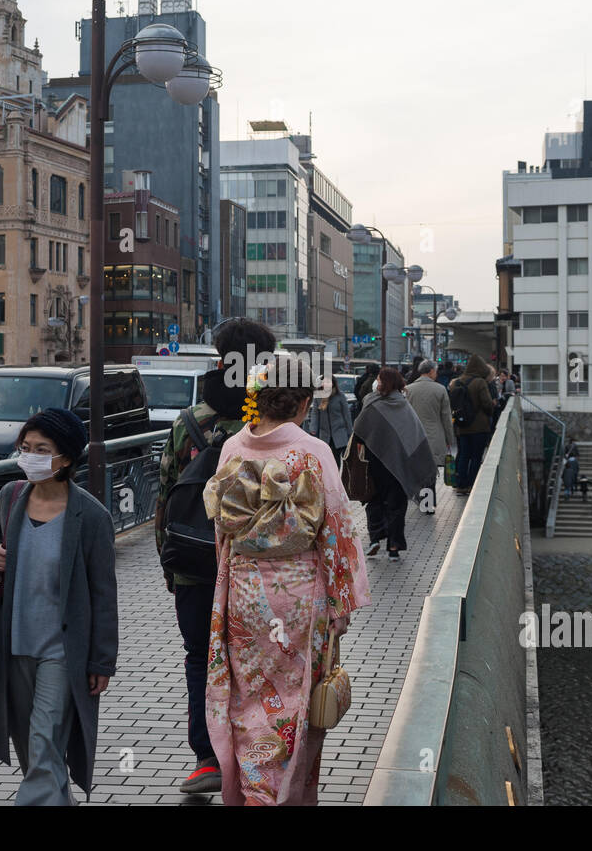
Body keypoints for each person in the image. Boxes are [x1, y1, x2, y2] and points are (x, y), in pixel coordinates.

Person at [202, 356, 370, 805]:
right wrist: (341, 605)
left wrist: (235, 577)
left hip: (244, 592)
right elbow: (336, 528)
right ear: (304, 402)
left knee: (247, 698)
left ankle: (253, 788)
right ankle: (285, 795)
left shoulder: (233, 449)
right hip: (299, 598)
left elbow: (222, 529)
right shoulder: (312, 451)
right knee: (296, 700)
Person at [154, 317, 277, 795]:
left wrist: (170, 566)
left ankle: (207, 758)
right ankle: (253, 753)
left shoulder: (190, 422)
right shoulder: (271, 422)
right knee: (256, 657)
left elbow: (165, 495)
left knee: (199, 658)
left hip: (195, 562)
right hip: (258, 567)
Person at [0, 408, 118, 805]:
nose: (30, 457)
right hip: (14, 643)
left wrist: (101, 661)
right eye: (25, 448)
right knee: (34, 753)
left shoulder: (92, 516)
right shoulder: (12, 498)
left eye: (42, 449)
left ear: (67, 458)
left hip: (62, 652)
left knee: (43, 745)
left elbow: (103, 594)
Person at [354, 367, 436, 561]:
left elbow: (358, 431)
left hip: (374, 463)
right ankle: (393, 546)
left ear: (381, 382)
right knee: (397, 505)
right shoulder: (403, 405)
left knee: (373, 501)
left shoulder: (370, 402)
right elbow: (415, 434)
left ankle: (375, 539)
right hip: (400, 464)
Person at [404, 360, 455, 512]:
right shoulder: (440, 390)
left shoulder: (408, 389)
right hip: (435, 435)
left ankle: (420, 498)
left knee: (419, 470)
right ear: (432, 371)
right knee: (431, 472)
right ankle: (428, 503)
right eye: (436, 371)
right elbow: (446, 417)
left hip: (413, 436)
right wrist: (449, 439)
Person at [449, 357, 495, 496]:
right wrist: (490, 410)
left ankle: (460, 485)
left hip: (461, 425)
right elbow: (487, 404)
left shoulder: (456, 382)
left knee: (463, 455)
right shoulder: (480, 382)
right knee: (476, 456)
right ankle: (471, 484)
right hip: (479, 427)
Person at [308, 373, 353, 468]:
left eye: (329, 381)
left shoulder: (340, 396)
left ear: (333, 383)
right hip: (325, 434)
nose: (326, 384)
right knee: (326, 459)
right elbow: (315, 414)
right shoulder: (318, 397)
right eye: (324, 382)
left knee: (337, 460)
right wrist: (313, 429)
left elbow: (346, 415)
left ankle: (337, 478)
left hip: (339, 433)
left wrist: (350, 433)